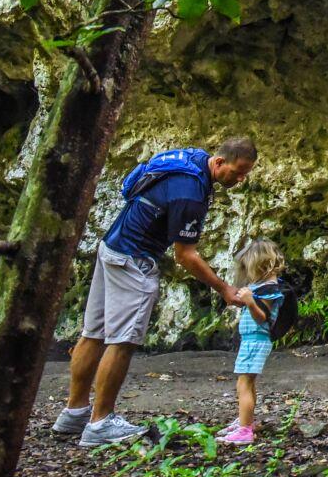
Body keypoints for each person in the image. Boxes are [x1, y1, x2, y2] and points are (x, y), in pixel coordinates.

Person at [55, 138, 259, 448]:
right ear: (219, 162)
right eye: (238, 171)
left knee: (93, 333)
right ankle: (100, 423)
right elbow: (185, 255)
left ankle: (74, 412)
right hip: (134, 259)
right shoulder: (191, 193)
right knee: (122, 340)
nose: (241, 179)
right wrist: (224, 289)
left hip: (111, 247)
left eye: (246, 174)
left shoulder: (190, 158)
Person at [220, 239, 286, 446]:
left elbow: (262, 317)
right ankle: (245, 420)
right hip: (251, 340)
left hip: (256, 340)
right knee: (247, 383)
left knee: (244, 384)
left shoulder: (269, 289)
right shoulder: (261, 287)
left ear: (261, 265)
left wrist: (250, 301)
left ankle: (245, 430)